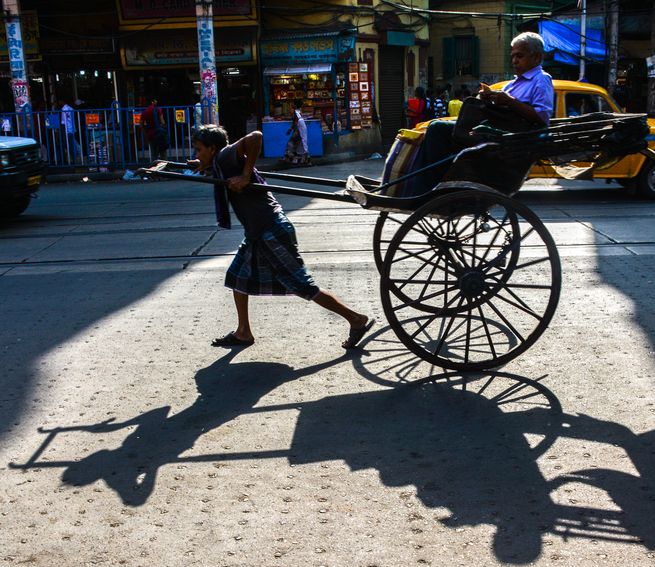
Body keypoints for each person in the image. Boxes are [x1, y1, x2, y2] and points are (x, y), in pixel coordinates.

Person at [189, 124, 373, 349]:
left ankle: (356, 319)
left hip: (271, 230)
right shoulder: (221, 161)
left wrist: (246, 175)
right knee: (239, 277)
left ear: (213, 148)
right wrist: (202, 163)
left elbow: (256, 137)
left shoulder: (226, 155)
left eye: (199, 150)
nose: (196, 154)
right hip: (258, 232)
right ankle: (243, 332)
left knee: (303, 286)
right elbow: (220, 165)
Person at [411, 31, 554, 194]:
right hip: (492, 130)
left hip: (506, 138)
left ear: (536, 57)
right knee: (433, 128)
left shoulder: (541, 79)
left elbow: (542, 117)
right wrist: (488, 98)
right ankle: (425, 182)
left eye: (519, 56)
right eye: (513, 56)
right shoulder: (513, 84)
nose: (514, 61)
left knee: (437, 128)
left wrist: (509, 101)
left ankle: (426, 188)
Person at [282, 99, 310, 166]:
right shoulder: (298, 111)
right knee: (301, 144)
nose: (291, 105)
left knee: (291, 142)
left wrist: (291, 129)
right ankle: (304, 160)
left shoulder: (295, 112)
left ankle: (289, 158)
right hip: (301, 129)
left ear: (295, 105)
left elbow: (296, 120)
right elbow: (295, 120)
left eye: (292, 104)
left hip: (299, 129)